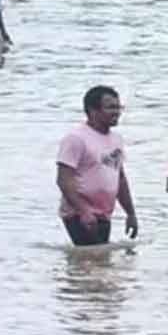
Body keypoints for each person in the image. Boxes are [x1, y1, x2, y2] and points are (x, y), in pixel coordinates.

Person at [55, 86, 138, 246]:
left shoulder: (116, 140)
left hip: (103, 214)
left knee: (98, 264)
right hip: (78, 215)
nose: (117, 112)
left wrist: (131, 213)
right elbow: (63, 180)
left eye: (118, 107)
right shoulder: (76, 139)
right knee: (93, 262)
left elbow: (119, 179)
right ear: (93, 111)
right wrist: (83, 210)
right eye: (110, 107)